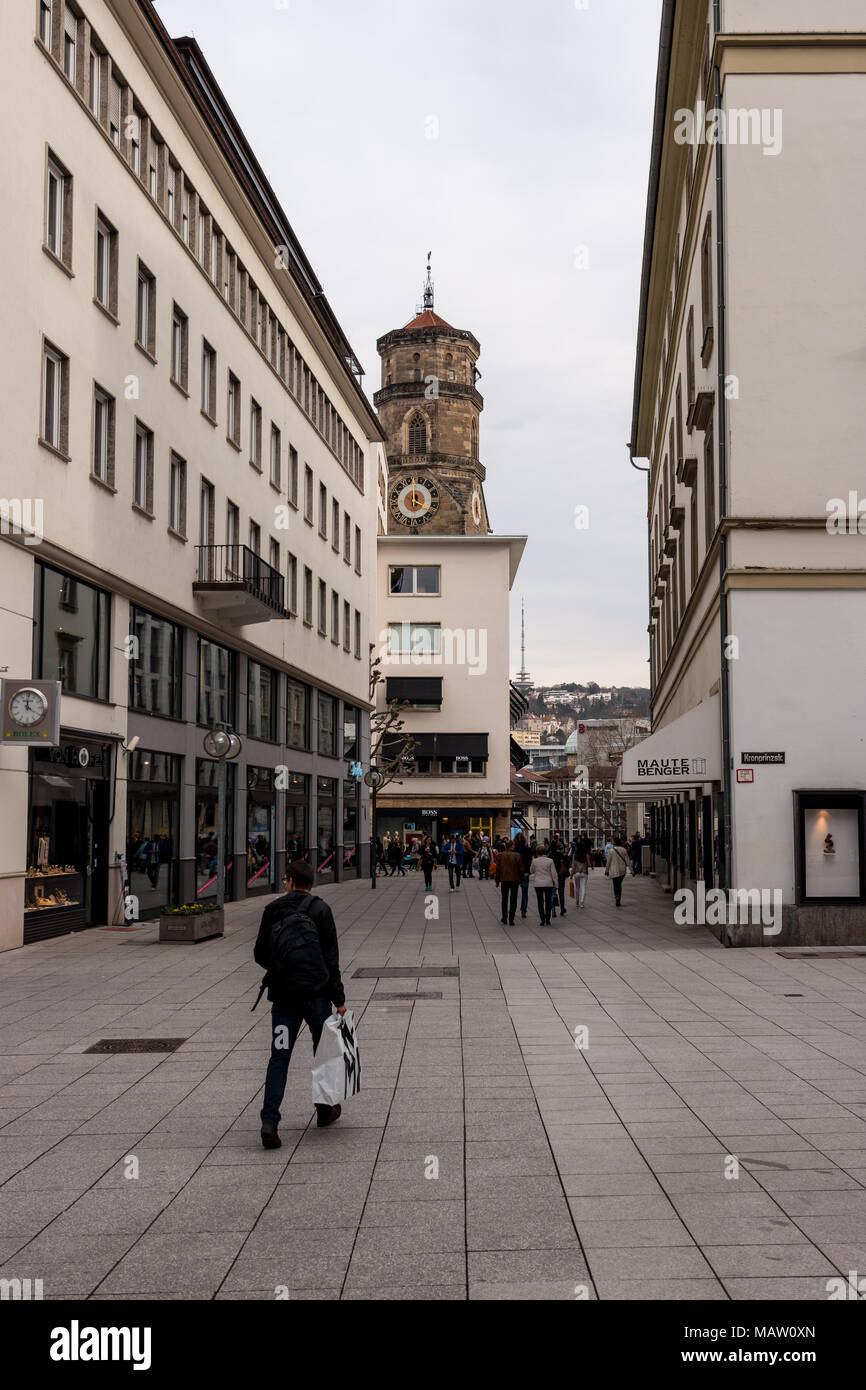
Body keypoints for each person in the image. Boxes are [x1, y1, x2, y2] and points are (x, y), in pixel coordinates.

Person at [254, 859, 347, 1148]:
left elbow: (260, 954)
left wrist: (281, 965)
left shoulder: (273, 910)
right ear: (310, 884)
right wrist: (339, 999)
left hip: (283, 999)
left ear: (291, 881)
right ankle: (323, 1110)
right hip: (316, 997)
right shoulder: (321, 910)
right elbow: (331, 959)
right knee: (323, 1054)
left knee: (279, 1057)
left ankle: (270, 1121)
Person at [495, 839, 523, 925]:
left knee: (504, 899)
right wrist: (521, 880)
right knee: (513, 899)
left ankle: (504, 917)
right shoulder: (517, 855)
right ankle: (511, 918)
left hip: (504, 879)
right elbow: (521, 869)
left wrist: (497, 880)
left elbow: (498, 869)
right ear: (511, 846)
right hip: (514, 879)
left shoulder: (500, 855)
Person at [530, 844, 558, 925]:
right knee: (548, 901)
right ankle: (548, 918)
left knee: (540, 901)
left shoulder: (534, 861)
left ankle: (542, 919)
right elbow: (554, 874)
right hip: (548, 883)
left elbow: (531, 871)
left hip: (538, 884)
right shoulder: (550, 861)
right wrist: (556, 885)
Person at [605, 836, 629, 907]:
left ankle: (617, 897)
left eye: (612, 841)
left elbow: (608, 862)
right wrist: (632, 870)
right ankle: (619, 898)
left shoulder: (611, 851)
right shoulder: (624, 850)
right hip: (622, 871)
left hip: (614, 870)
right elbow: (628, 861)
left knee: (615, 884)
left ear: (614, 842)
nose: (611, 842)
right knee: (619, 884)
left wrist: (606, 871)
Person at [514, 832, 533, 918]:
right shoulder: (528, 849)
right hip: (525, 872)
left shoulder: (514, 849)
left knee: (514, 893)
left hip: (515, 873)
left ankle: (512, 909)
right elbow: (530, 862)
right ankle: (523, 910)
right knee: (524, 893)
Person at [571, 836, 592, 909]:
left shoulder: (575, 855)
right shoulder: (586, 854)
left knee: (577, 888)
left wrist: (571, 875)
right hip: (584, 872)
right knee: (583, 887)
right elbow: (589, 864)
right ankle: (582, 902)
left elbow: (573, 866)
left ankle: (577, 902)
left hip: (576, 873)